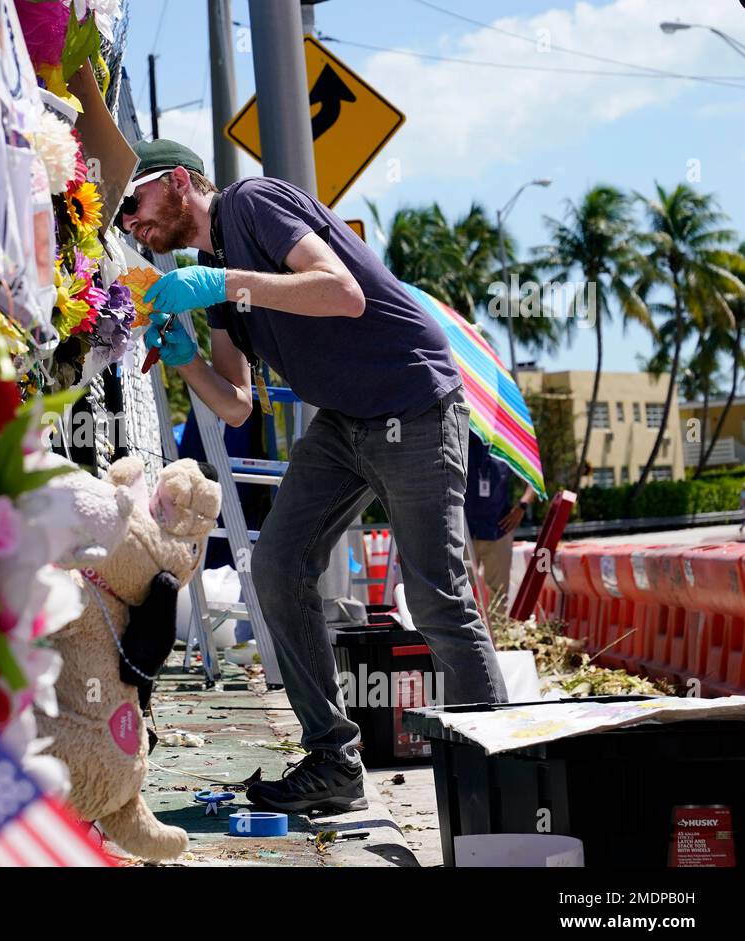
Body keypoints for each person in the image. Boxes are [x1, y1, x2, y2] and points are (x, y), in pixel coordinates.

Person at [119, 139, 507, 813]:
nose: (129, 223)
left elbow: (343, 294)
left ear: (180, 181)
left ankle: (503, 775)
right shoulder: (218, 282)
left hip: (412, 401)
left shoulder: (252, 204)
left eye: (134, 202)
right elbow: (236, 401)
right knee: (277, 564)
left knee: (436, 596)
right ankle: (334, 761)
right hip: (345, 421)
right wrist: (185, 359)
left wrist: (225, 282)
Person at [464, 434, 536, 606]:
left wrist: (522, 507)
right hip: (464, 533)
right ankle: (460, 632)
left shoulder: (508, 446)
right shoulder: (460, 440)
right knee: (458, 592)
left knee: (499, 596)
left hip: (498, 531)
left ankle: (498, 633)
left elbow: (533, 479)